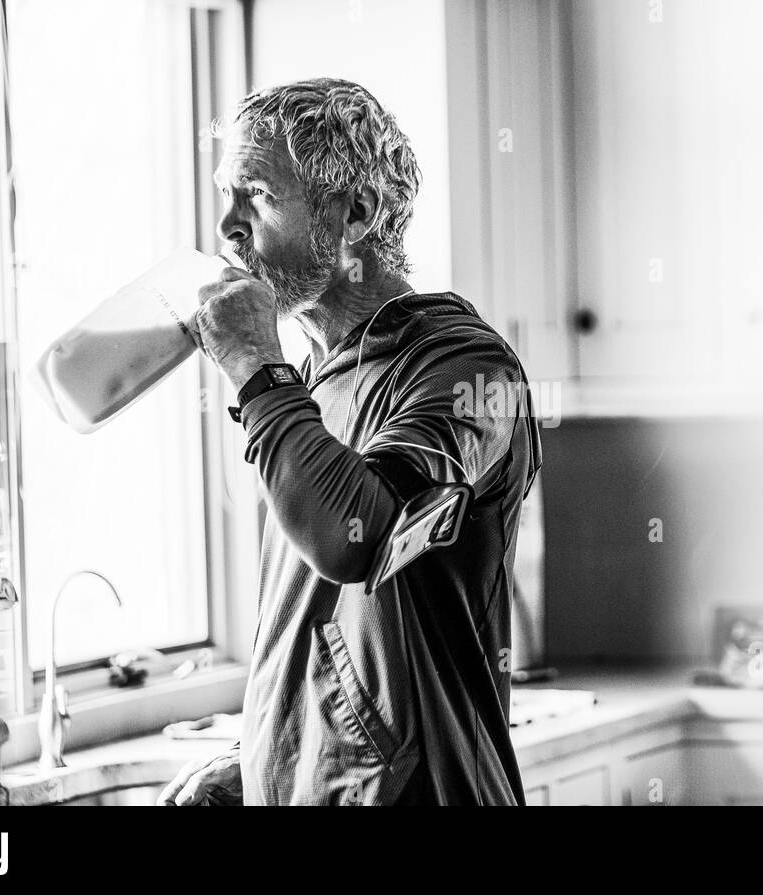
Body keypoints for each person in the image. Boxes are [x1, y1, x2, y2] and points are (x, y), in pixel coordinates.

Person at [157, 79, 541, 805]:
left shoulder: (467, 370)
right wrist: (261, 757)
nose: (227, 227)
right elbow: (328, 629)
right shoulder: (312, 381)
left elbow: (356, 536)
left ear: (356, 212)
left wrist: (252, 366)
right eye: (225, 195)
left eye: (258, 196)